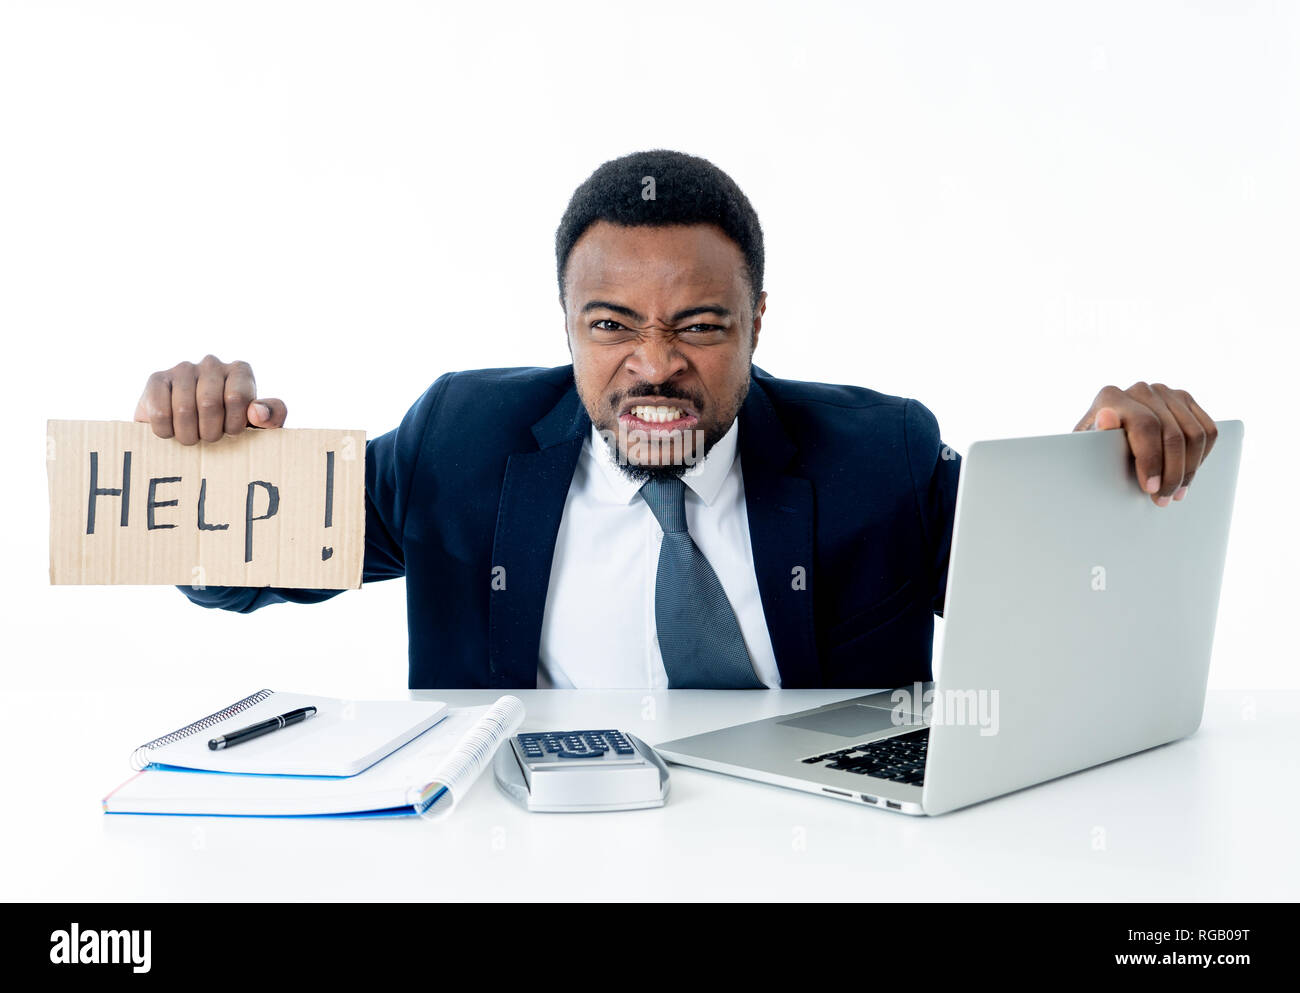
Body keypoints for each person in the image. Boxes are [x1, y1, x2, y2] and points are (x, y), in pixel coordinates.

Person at [134, 150, 1219, 690]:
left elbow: (1070, 615)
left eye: (700, 324)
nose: (654, 365)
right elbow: (225, 570)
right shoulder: (459, 442)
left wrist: (1117, 477)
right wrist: (203, 454)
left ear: (757, 323)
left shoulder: (876, 458)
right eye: (611, 325)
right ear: (565, 327)